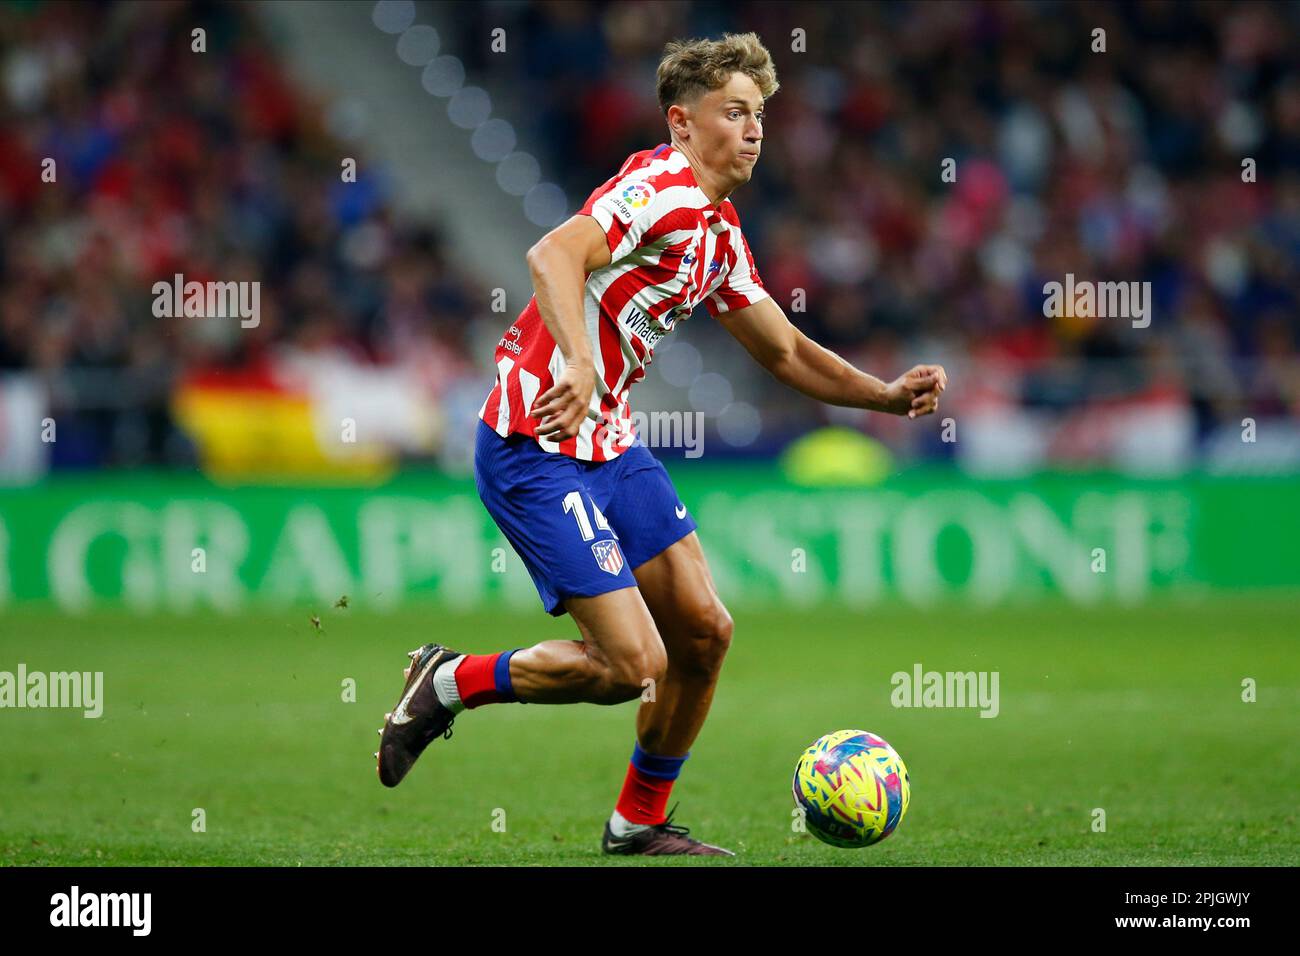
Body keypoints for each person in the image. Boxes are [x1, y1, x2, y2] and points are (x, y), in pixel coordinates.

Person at [376, 32, 946, 857]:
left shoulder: (716, 229)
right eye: (735, 112)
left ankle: (638, 821)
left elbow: (784, 351)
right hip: (534, 443)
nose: (754, 130)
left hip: (608, 442)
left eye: (760, 115)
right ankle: (452, 681)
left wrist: (883, 398)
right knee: (626, 667)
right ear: (682, 122)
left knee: (705, 634)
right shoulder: (660, 188)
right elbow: (553, 253)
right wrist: (576, 358)